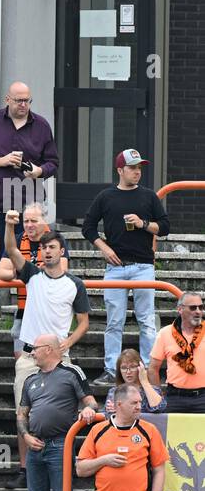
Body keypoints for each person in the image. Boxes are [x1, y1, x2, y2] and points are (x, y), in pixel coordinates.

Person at [3, 224, 91, 486]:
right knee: (23, 411)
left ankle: (62, 465)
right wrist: (9, 225)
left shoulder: (75, 284)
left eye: (52, 247)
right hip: (30, 357)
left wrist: (69, 342)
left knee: (63, 412)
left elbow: (84, 322)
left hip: (60, 358)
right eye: (43, 248)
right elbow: (10, 249)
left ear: (62, 251)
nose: (46, 252)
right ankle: (24, 470)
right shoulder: (32, 275)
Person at [82, 148, 169, 387]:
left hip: (143, 265)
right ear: (120, 170)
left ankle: (150, 370)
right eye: (132, 168)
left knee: (146, 320)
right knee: (114, 321)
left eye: (139, 168)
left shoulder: (149, 196)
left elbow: (165, 227)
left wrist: (143, 223)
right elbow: (87, 227)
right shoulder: (106, 196)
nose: (137, 172)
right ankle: (111, 370)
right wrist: (104, 248)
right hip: (116, 266)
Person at [16, 333, 100, 491]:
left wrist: (87, 411)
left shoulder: (71, 373)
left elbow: (91, 402)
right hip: (36, 447)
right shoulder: (30, 379)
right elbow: (22, 414)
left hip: (61, 444)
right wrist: (26, 436)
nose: (32, 352)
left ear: (50, 350)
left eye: (36, 348)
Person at [0, 81, 59, 285]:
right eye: (18, 100)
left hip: (31, 202)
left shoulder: (42, 125)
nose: (23, 105)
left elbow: (53, 162)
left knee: (33, 251)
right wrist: (0, 161)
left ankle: (34, 294)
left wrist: (39, 171)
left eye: (27, 101)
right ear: (7, 99)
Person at [0, 203, 70, 355]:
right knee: (22, 361)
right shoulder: (16, 239)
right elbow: (0, 272)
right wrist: (18, 272)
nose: (29, 225)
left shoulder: (56, 240)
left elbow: (62, 269)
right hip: (25, 309)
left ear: (45, 220)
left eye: (34, 221)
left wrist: (28, 271)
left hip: (50, 309)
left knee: (53, 358)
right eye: (26, 221)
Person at [149, 291, 205, 412]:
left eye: (201, 307)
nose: (198, 311)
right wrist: (157, 396)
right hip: (175, 397)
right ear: (180, 309)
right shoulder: (165, 333)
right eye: (193, 308)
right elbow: (153, 368)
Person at [103, 348, 165, 415]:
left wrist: (145, 382)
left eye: (132, 367)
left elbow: (159, 407)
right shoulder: (114, 391)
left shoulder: (154, 390)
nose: (128, 372)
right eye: (124, 368)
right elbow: (108, 415)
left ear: (140, 368)